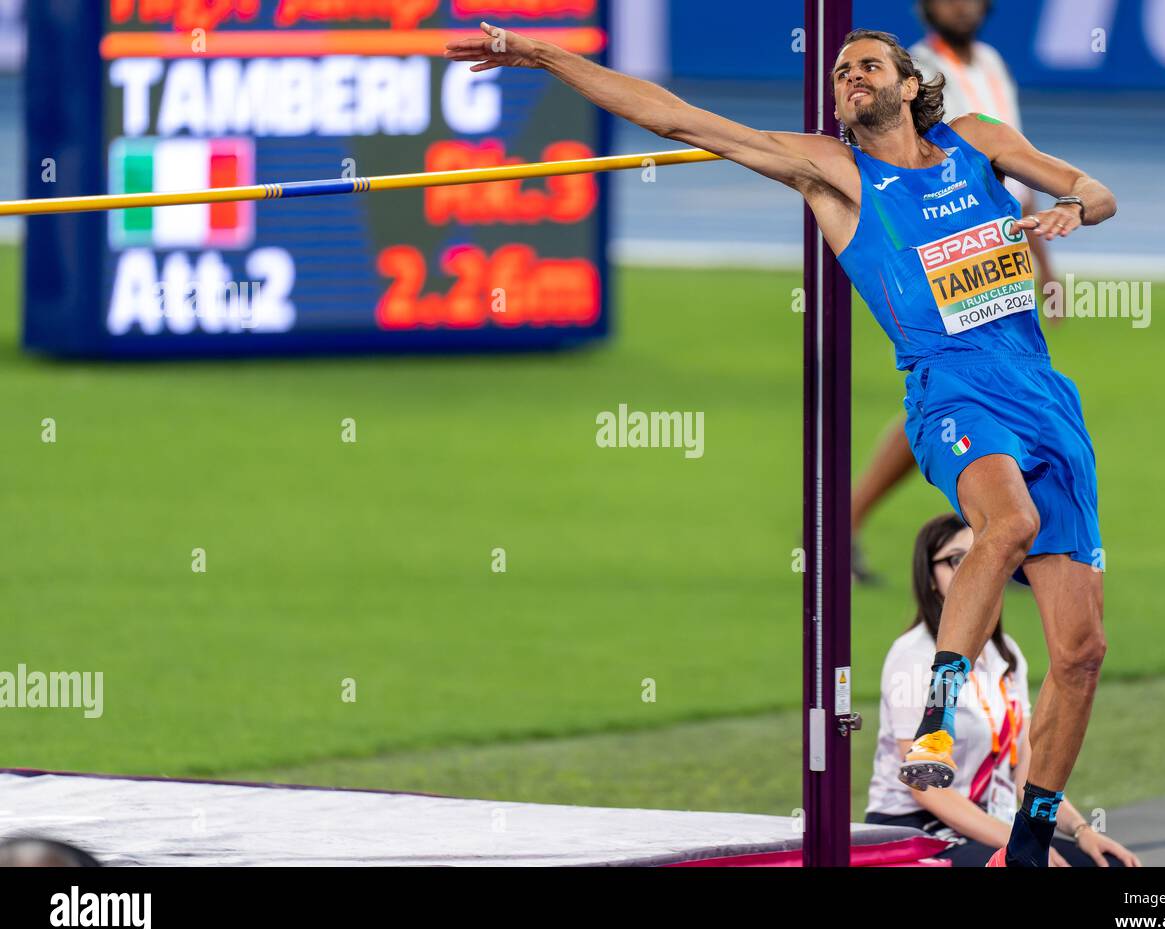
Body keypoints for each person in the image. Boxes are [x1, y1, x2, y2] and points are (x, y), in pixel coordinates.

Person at [446, 20, 1117, 867]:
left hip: (1043, 394)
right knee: (1006, 525)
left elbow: (1095, 189)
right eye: (839, 72)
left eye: (866, 65)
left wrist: (1071, 208)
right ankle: (936, 729)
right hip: (951, 388)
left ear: (909, 85)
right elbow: (679, 120)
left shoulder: (979, 142)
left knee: (1082, 652)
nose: (849, 78)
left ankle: (1028, 841)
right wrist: (542, 55)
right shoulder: (834, 173)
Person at [850, 0, 1057, 585]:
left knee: (984, 398)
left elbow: (1013, 170)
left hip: (998, 258)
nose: (959, 6)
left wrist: (1043, 264)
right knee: (957, 394)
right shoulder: (905, 70)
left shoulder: (990, 63)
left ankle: (1003, 538)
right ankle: (996, 540)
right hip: (941, 259)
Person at [867, 514, 1139, 867]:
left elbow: (1026, 772)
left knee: (1108, 865)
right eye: (955, 561)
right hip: (917, 829)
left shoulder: (1005, 654)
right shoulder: (913, 656)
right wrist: (1018, 843)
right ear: (930, 579)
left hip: (989, 820)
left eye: (982, 558)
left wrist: (1082, 830)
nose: (973, 571)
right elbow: (926, 789)